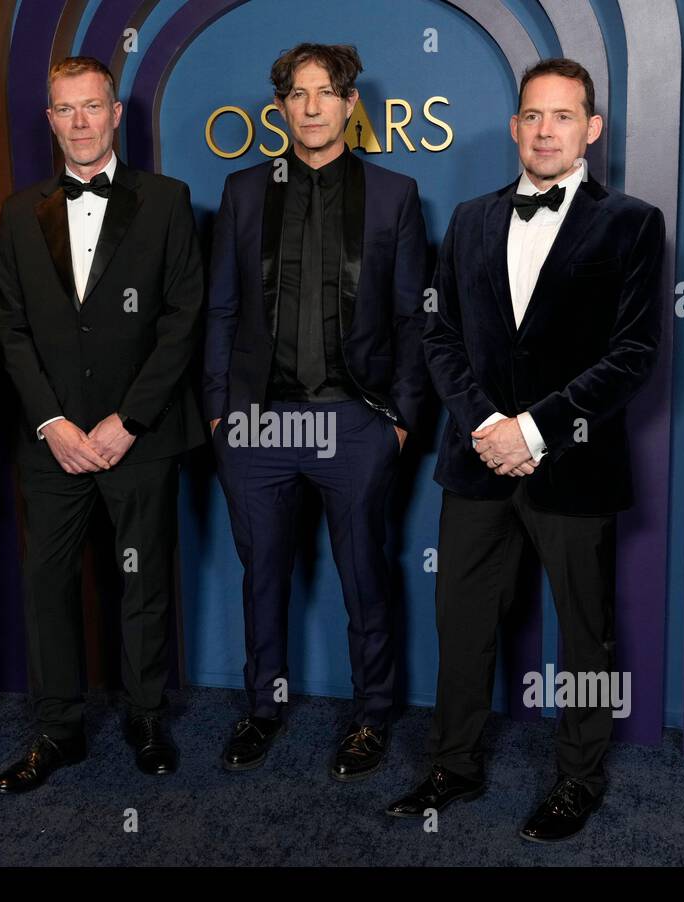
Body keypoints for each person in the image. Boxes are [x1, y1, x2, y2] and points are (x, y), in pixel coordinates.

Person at [386, 58, 665, 841]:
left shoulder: (633, 222)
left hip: (574, 464)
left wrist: (533, 431)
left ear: (591, 128)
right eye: (534, 116)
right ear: (516, 126)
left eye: (564, 116)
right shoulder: (470, 218)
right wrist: (489, 427)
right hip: (477, 459)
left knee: (584, 633)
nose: (546, 131)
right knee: (462, 620)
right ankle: (454, 764)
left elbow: (633, 353)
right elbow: (439, 336)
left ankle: (577, 779)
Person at [204, 43, 429, 779]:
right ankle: (262, 709)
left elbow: (411, 322)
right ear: (280, 108)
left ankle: (372, 716)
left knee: (366, 577)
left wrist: (398, 419)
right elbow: (221, 311)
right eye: (296, 94)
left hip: (353, 420)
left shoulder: (395, 193)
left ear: (349, 104)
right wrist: (218, 414)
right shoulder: (243, 192)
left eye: (324, 93)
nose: (310, 107)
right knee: (261, 577)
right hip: (259, 426)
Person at [0, 57, 203, 790]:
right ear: (50, 120)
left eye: (91, 106)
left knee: (142, 584)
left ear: (116, 113)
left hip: (139, 436)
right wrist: (51, 420)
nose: (79, 121)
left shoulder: (168, 201)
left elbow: (183, 319)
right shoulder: (18, 211)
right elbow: (9, 329)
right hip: (53, 443)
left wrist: (130, 419)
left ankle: (146, 717)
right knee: (46, 584)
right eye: (64, 109)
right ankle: (58, 730)